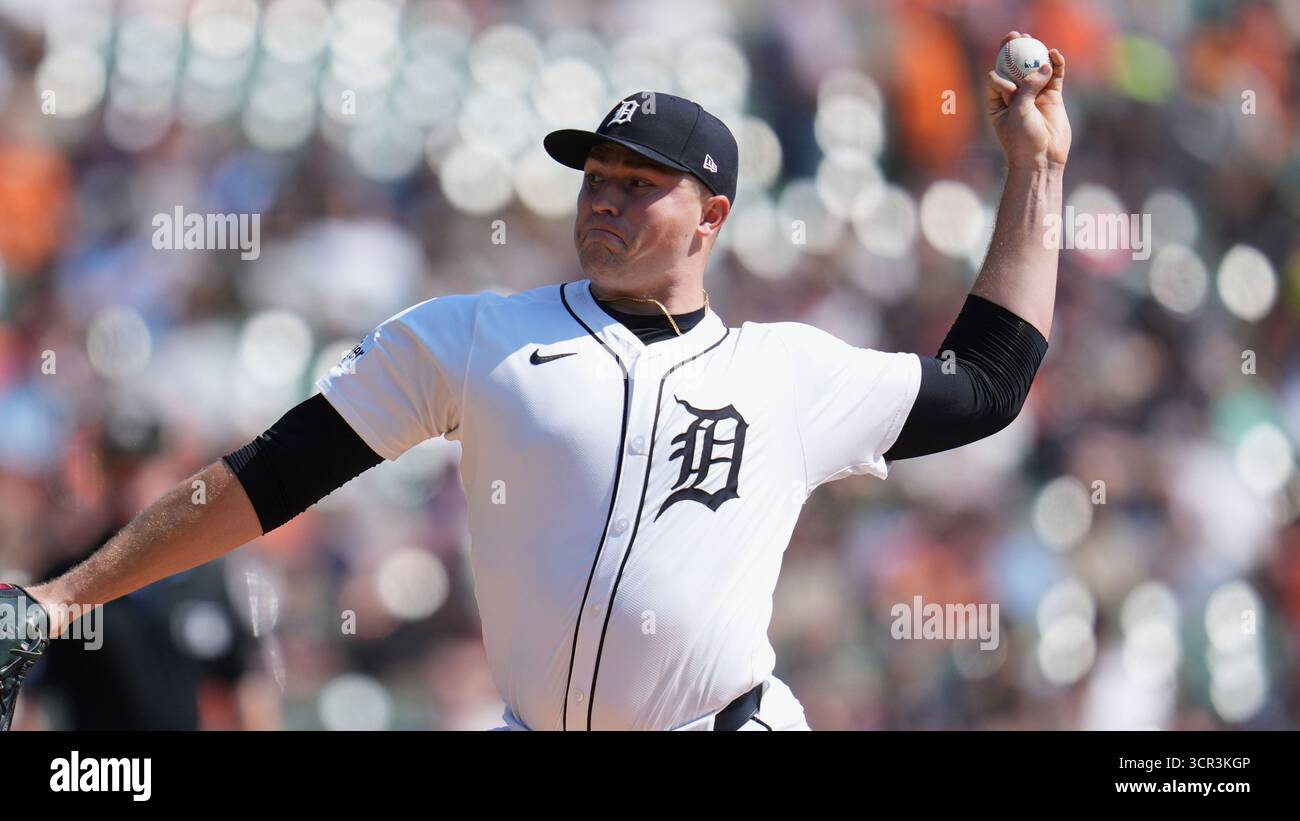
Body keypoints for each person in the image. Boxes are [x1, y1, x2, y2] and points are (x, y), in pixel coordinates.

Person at [2, 31, 1070, 731]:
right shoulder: (476, 339)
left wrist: (1035, 171)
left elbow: (985, 380)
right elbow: (269, 475)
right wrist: (62, 597)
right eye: (596, 178)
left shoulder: (783, 371)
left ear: (711, 215)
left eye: (639, 184)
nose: (604, 199)